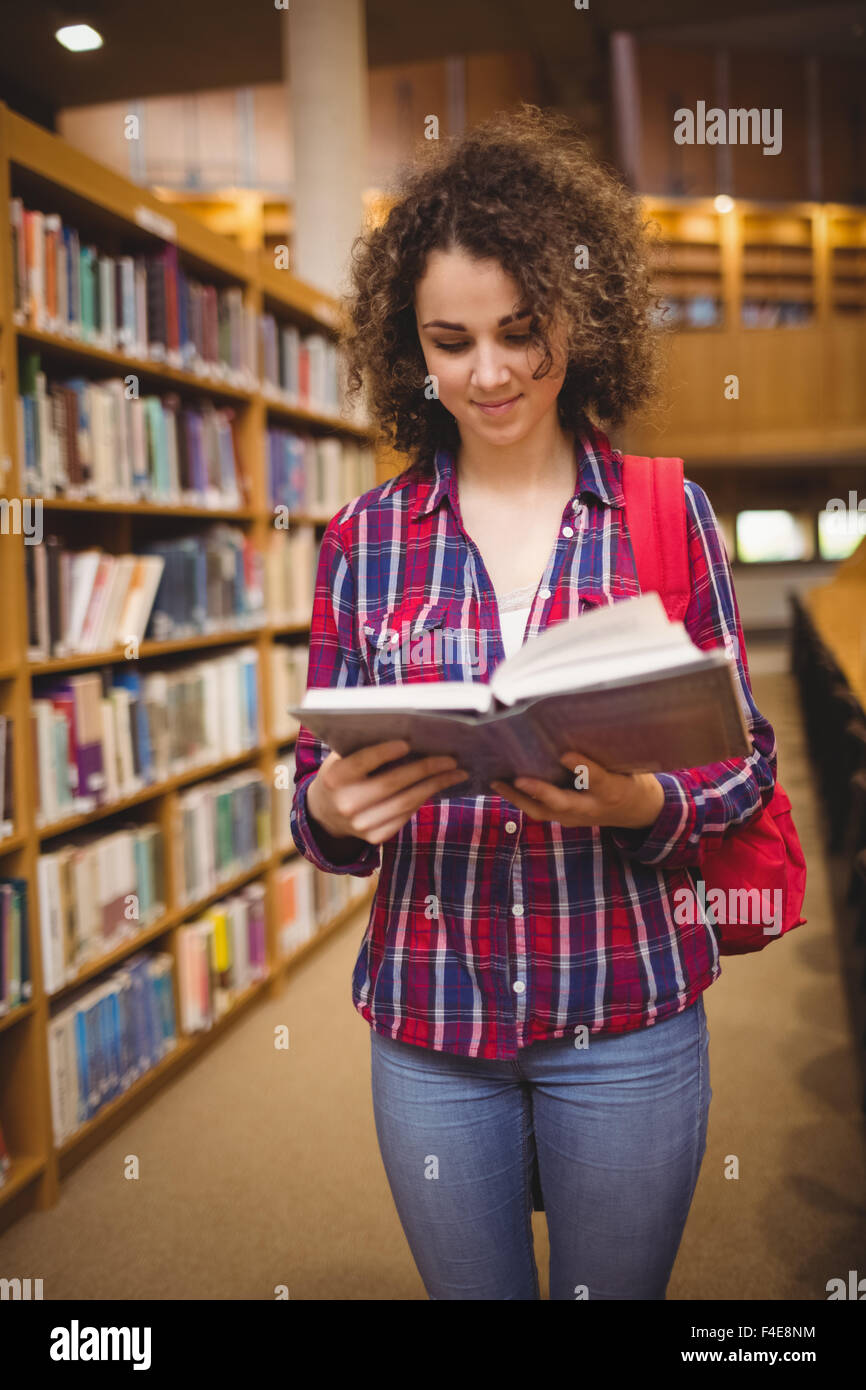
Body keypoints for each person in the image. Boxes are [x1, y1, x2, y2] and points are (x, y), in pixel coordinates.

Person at [290, 104, 777, 1300]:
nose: (490, 371)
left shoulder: (667, 515)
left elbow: (745, 759)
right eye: (450, 342)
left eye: (520, 331)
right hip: (429, 1019)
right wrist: (336, 814)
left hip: (623, 1008)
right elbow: (316, 792)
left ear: (580, 315)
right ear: (409, 349)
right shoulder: (362, 540)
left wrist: (637, 802)